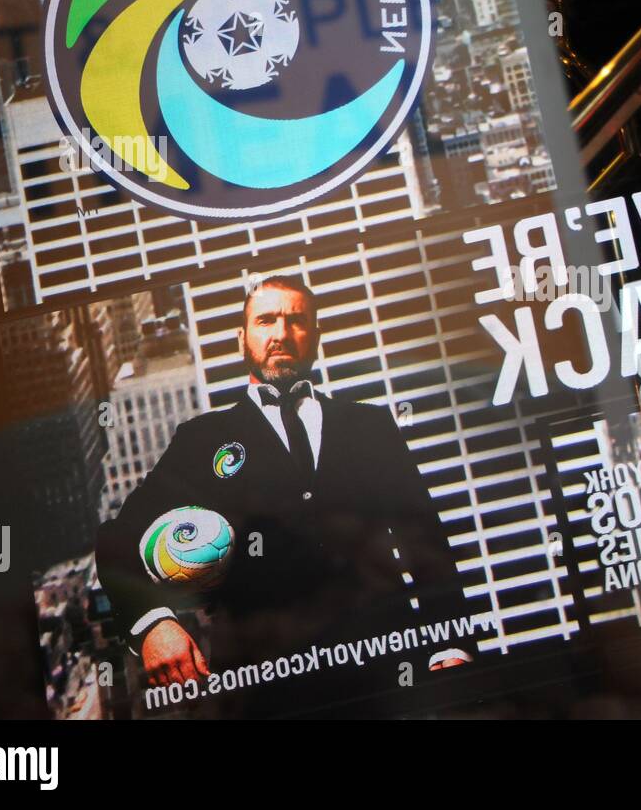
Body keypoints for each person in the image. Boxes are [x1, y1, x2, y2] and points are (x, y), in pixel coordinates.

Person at [95, 276, 478, 717]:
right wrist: (153, 624)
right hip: (267, 693)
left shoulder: (369, 427)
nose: (281, 334)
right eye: (265, 321)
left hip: (389, 678)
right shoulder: (201, 442)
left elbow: (425, 545)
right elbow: (117, 539)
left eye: (296, 321)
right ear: (243, 338)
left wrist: (451, 644)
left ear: (315, 334)